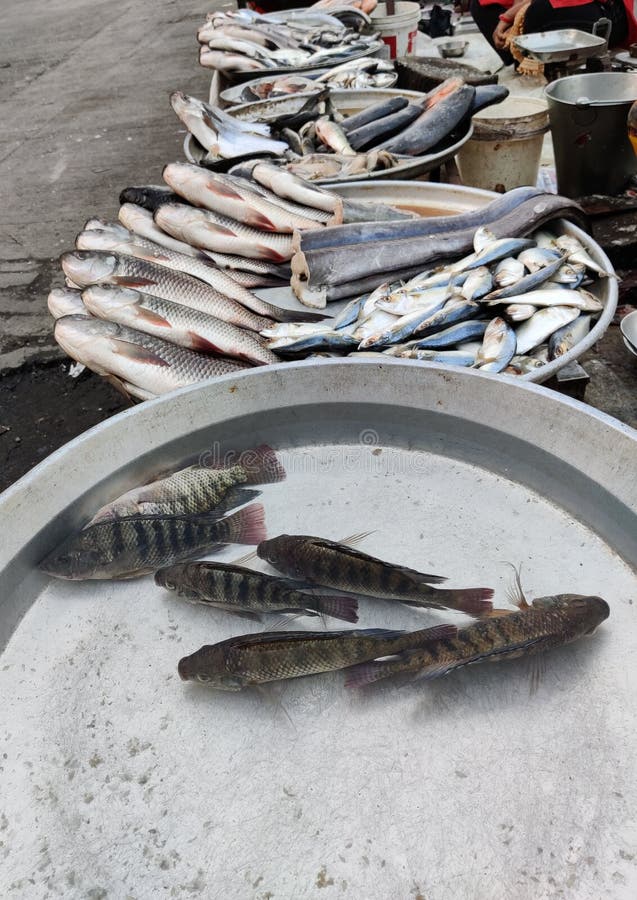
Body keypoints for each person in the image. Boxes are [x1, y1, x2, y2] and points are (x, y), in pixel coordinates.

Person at [471, 0, 635, 62]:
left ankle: (537, 58)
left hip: (608, 13)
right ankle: (521, 58)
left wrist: (507, 18)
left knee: (539, 11)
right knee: (479, 5)